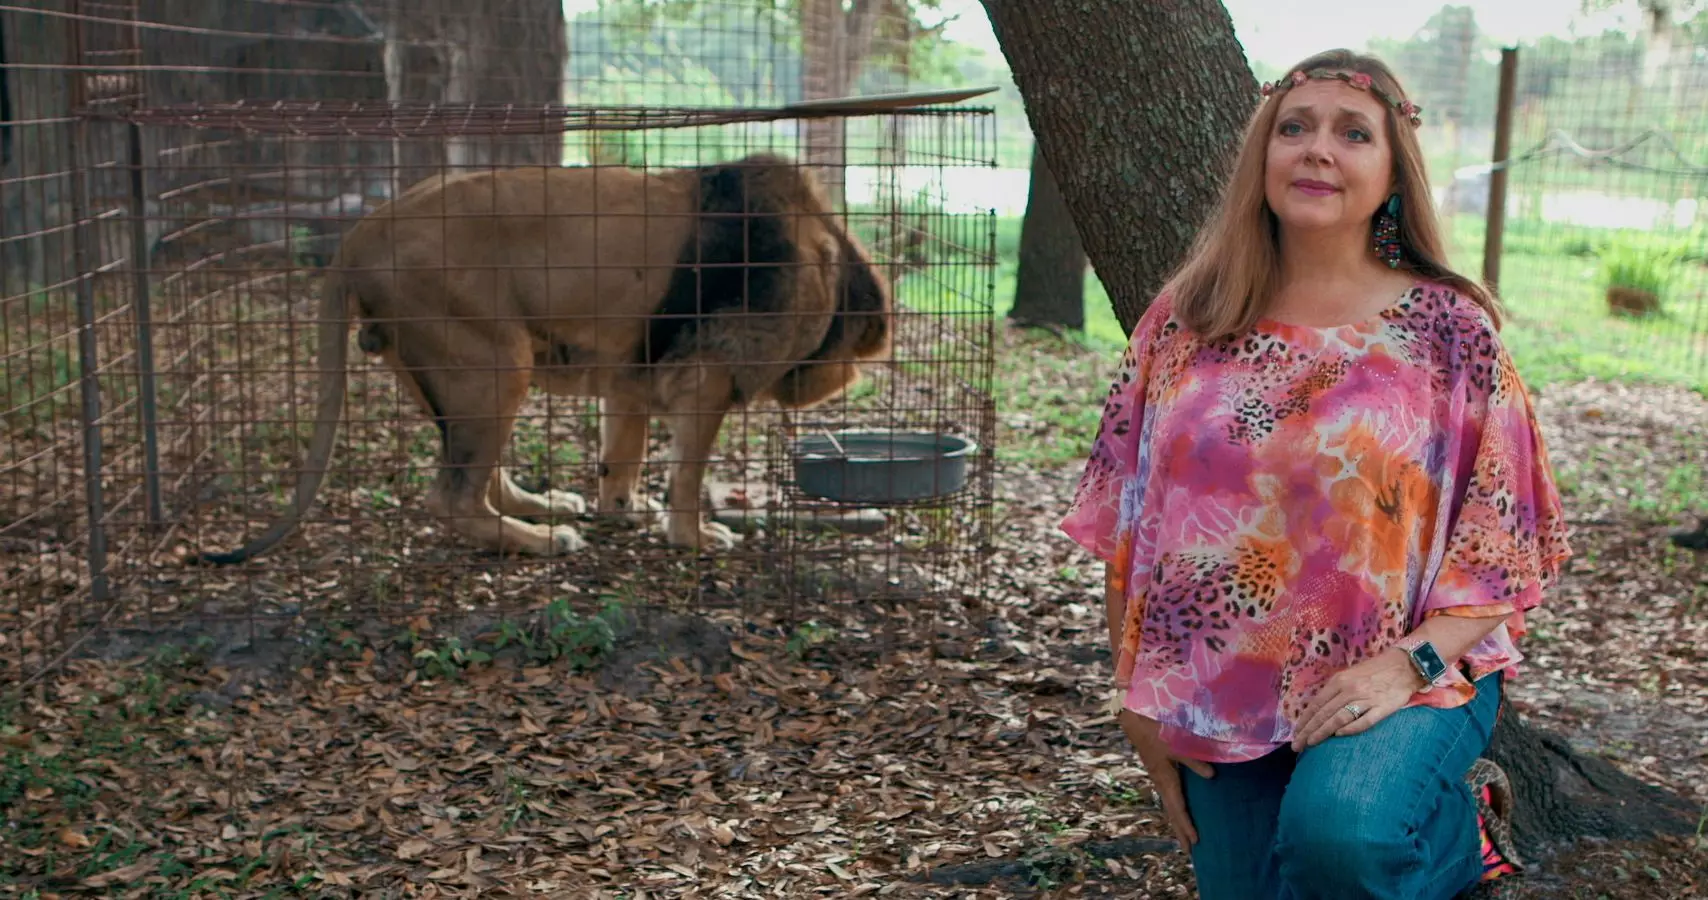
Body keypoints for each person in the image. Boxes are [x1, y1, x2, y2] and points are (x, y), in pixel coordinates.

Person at [1059, 49, 1572, 900]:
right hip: (1217, 684)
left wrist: (1404, 667)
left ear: (1392, 171)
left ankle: (1456, 840)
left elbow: (1505, 541)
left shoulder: (1452, 330)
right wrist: (1135, 696)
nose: (1318, 149)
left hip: (1408, 673)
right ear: (1263, 157)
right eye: (1294, 128)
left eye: (1352, 132)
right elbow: (1129, 524)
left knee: (1344, 841)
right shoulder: (1189, 318)